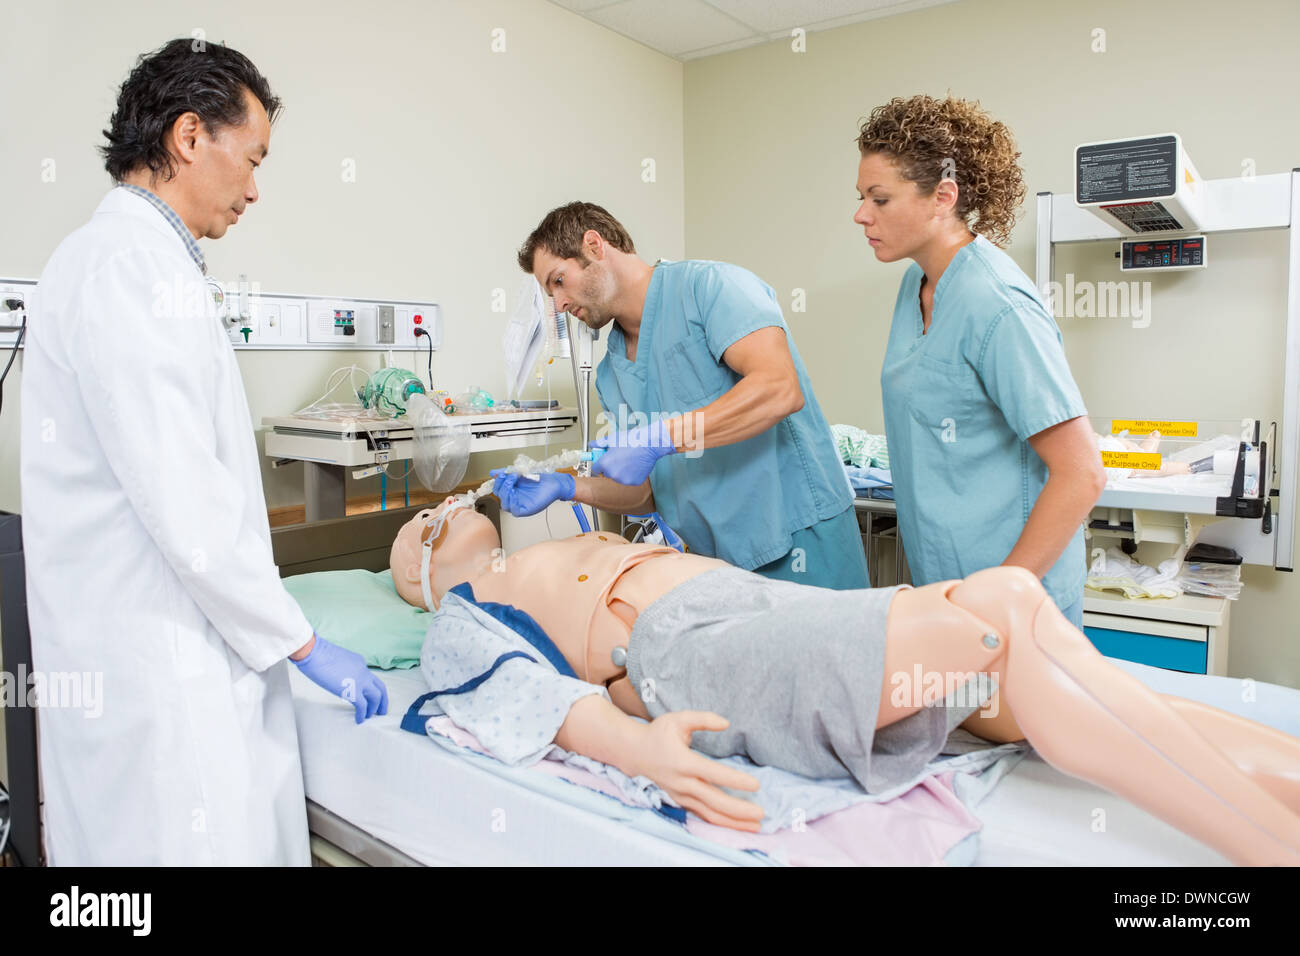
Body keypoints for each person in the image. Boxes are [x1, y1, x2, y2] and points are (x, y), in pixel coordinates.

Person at [388, 496, 1300, 865]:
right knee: (1008, 607)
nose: (455, 503)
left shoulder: (547, 539)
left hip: (749, 609)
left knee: (1040, 668)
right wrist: (635, 748)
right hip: (692, 654)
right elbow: (524, 698)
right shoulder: (458, 616)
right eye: (432, 513)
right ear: (420, 561)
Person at [20, 39, 386, 866]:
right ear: (189, 137)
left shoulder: (135, 265)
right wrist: (301, 643)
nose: (255, 189)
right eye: (251, 159)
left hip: (152, 654)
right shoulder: (125, 270)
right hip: (159, 675)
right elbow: (185, 502)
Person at [500, 202, 868, 590]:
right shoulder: (612, 373)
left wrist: (661, 438)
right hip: (716, 567)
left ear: (594, 246)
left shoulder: (711, 288)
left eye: (558, 281)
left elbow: (779, 388)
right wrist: (569, 487)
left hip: (800, 539)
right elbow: (647, 492)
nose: (557, 305)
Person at [854, 95, 1105, 627]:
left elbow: (1081, 474)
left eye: (879, 199)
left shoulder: (997, 303)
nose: (861, 215)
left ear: (942, 197)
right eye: (861, 198)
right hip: (947, 588)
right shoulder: (915, 284)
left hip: (1017, 601)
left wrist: (1001, 596)